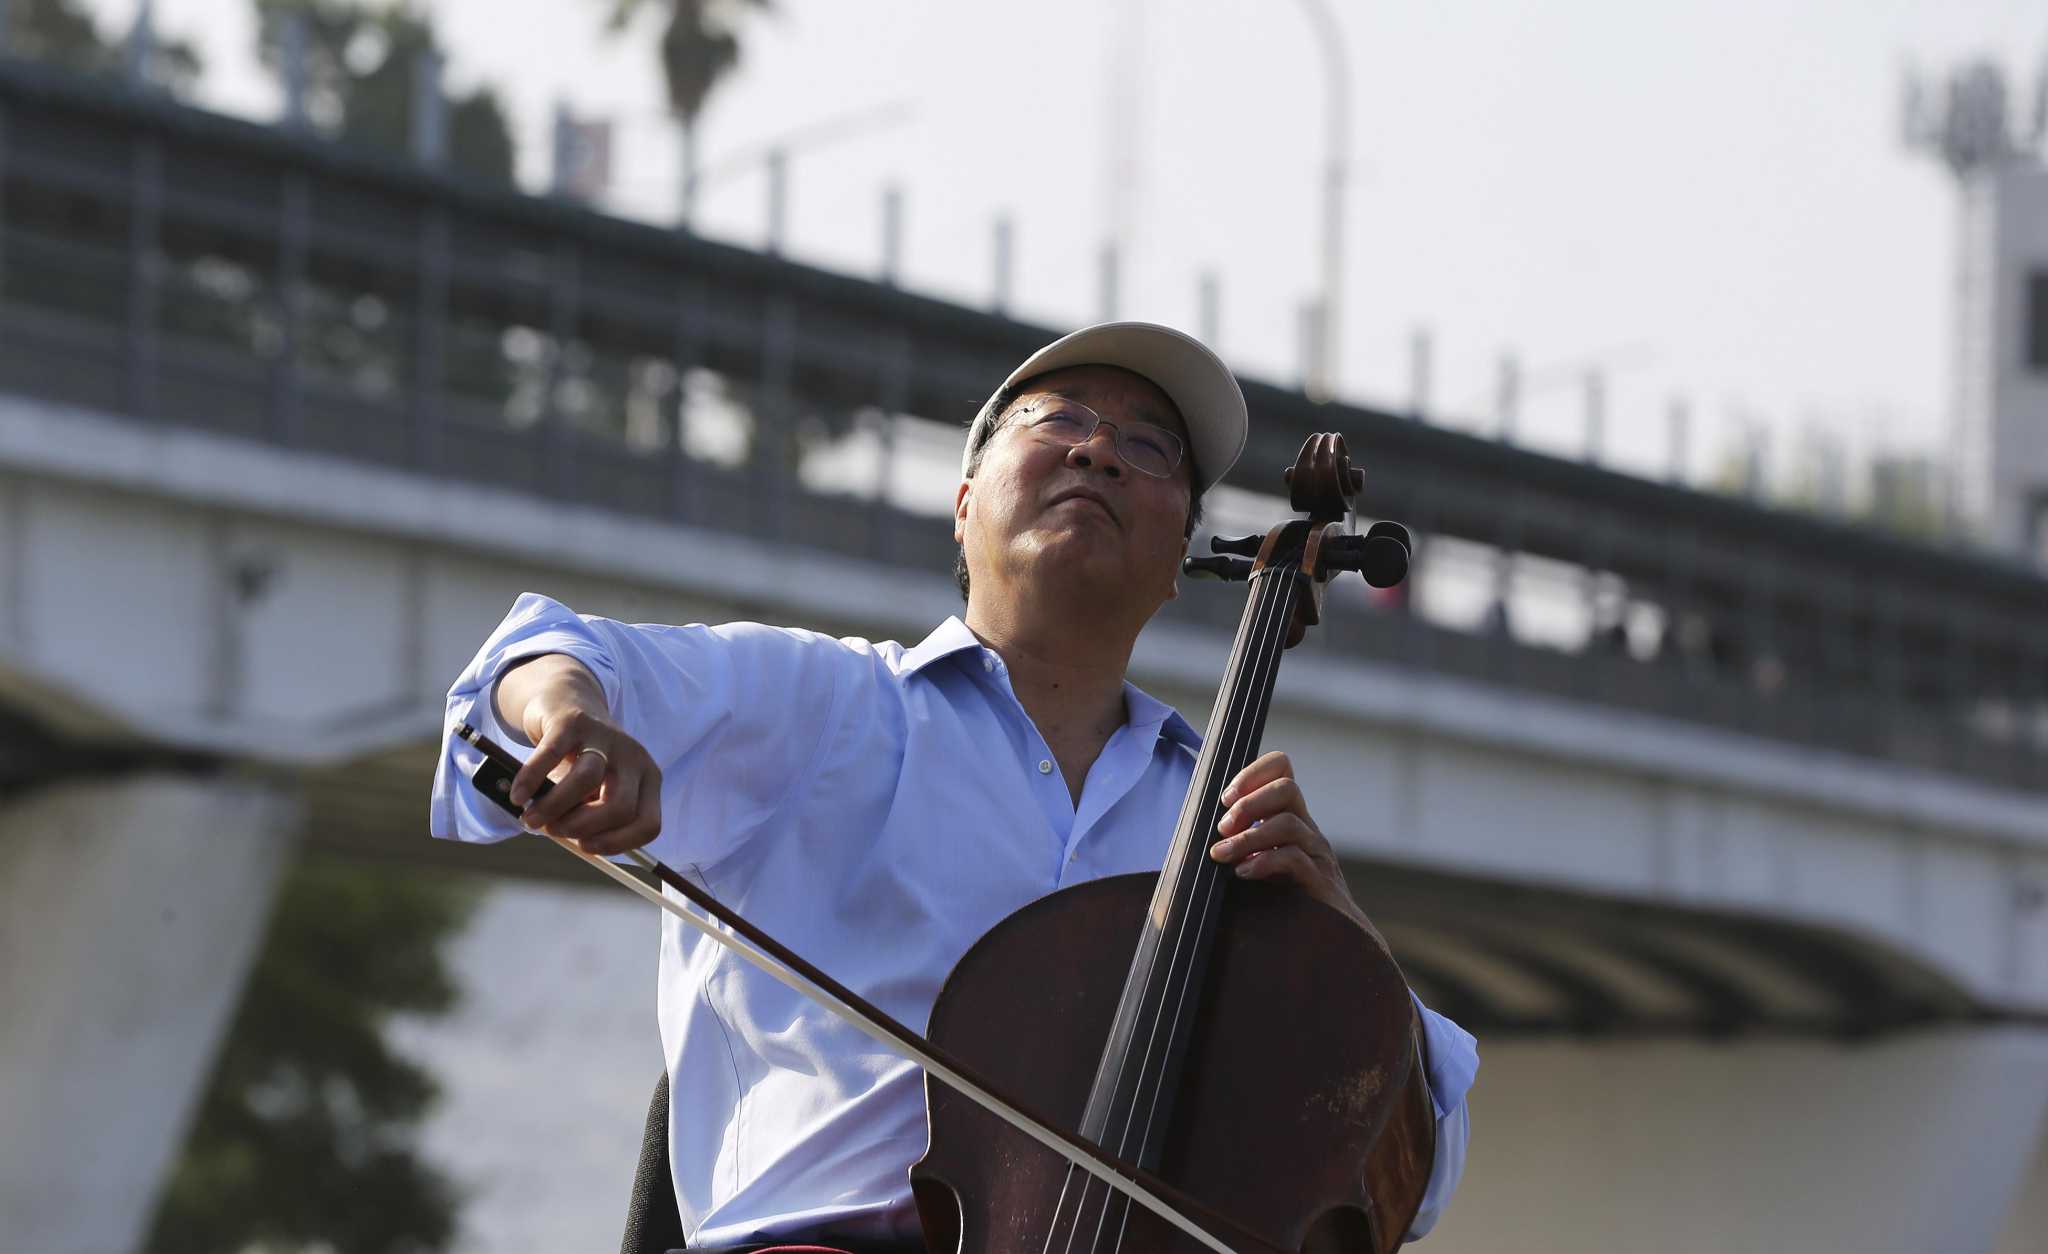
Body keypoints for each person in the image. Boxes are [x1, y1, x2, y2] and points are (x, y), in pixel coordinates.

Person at [432, 321, 1478, 1251]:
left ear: (1177, 560)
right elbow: (536, 654)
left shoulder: (1218, 828)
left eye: (1148, 447)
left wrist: (1341, 939)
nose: (1097, 449)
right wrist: (571, 721)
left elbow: (1409, 1172)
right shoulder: (821, 704)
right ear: (965, 501)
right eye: (1055, 418)